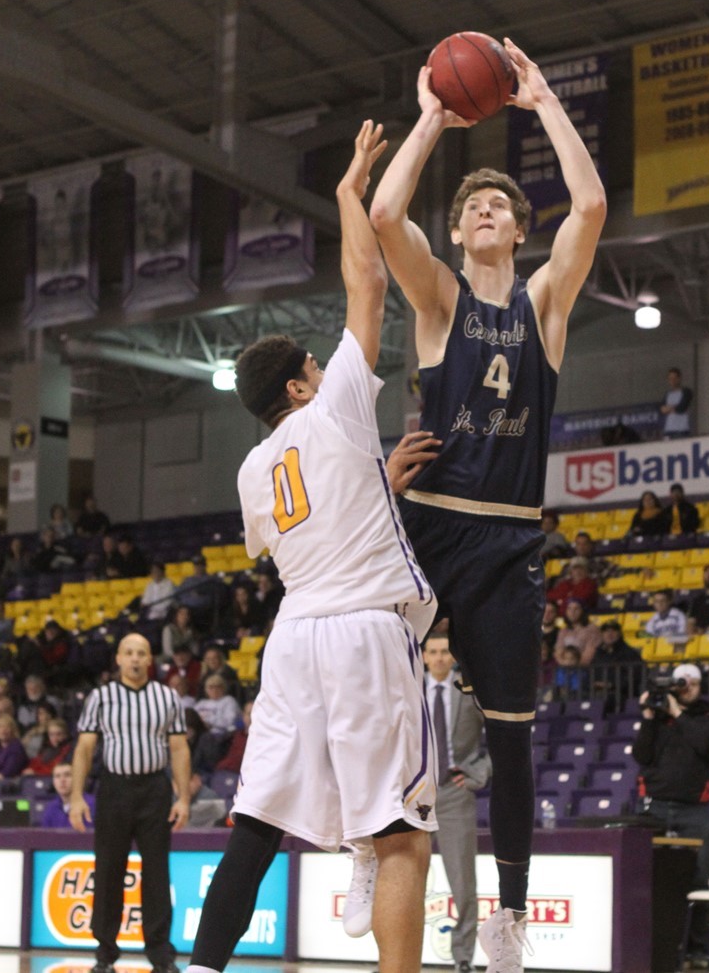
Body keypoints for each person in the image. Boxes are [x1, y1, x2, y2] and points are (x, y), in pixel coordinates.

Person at [188, 121, 441, 973]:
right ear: (301, 384)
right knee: (405, 832)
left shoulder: (252, 470)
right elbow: (367, 279)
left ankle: (202, 967)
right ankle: (371, 853)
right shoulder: (335, 406)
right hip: (365, 627)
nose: (328, 369)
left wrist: (376, 482)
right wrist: (348, 194)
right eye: (316, 365)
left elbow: (300, 533)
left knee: (256, 822)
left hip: (295, 638)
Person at [69, 634, 189, 973]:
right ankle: (105, 954)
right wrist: (76, 796)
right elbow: (84, 748)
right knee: (108, 870)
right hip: (114, 789)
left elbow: (179, 748)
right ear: (118, 659)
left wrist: (183, 798)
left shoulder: (167, 697)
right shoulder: (100, 697)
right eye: (129, 653)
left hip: (155, 790)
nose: (135, 658)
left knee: (157, 872)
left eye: (141, 653)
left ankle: (161, 955)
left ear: (150, 659)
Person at [634, 663, 709, 961]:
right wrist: (648, 718)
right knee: (648, 879)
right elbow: (641, 755)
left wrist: (676, 712)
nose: (688, 689)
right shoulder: (658, 719)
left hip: (693, 810)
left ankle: (699, 950)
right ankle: (650, 948)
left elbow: (704, 744)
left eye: (693, 684)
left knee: (698, 879)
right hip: (655, 806)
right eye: (682, 683)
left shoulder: (708, 719)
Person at [424, 631, 492, 973]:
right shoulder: (408, 690)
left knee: (463, 882)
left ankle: (463, 956)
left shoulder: (469, 691)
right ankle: (398, 957)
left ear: (452, 656)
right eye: (432, 652)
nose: (438, 657)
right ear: (423, 657)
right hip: (414, 795)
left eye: (443, 651)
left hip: (454, 792)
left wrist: (479, 772)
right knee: (404, 880)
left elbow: (504, 734)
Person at [38, 760, 93, 828]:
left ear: (77, 779)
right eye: (57, 776)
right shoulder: (51, 808)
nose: (62, 780)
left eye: (67, 775)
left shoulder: (92, 805)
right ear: (53, 782)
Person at [658, 366, 694, 438]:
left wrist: (668, 408)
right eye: (670, 379)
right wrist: (673, 407)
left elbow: (681, 408)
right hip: (669, 429)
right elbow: (661, 410)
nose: (672, 381)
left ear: (679, 378)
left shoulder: (686, 391)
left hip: (682, 429)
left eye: (674, 378)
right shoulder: (668, 394)